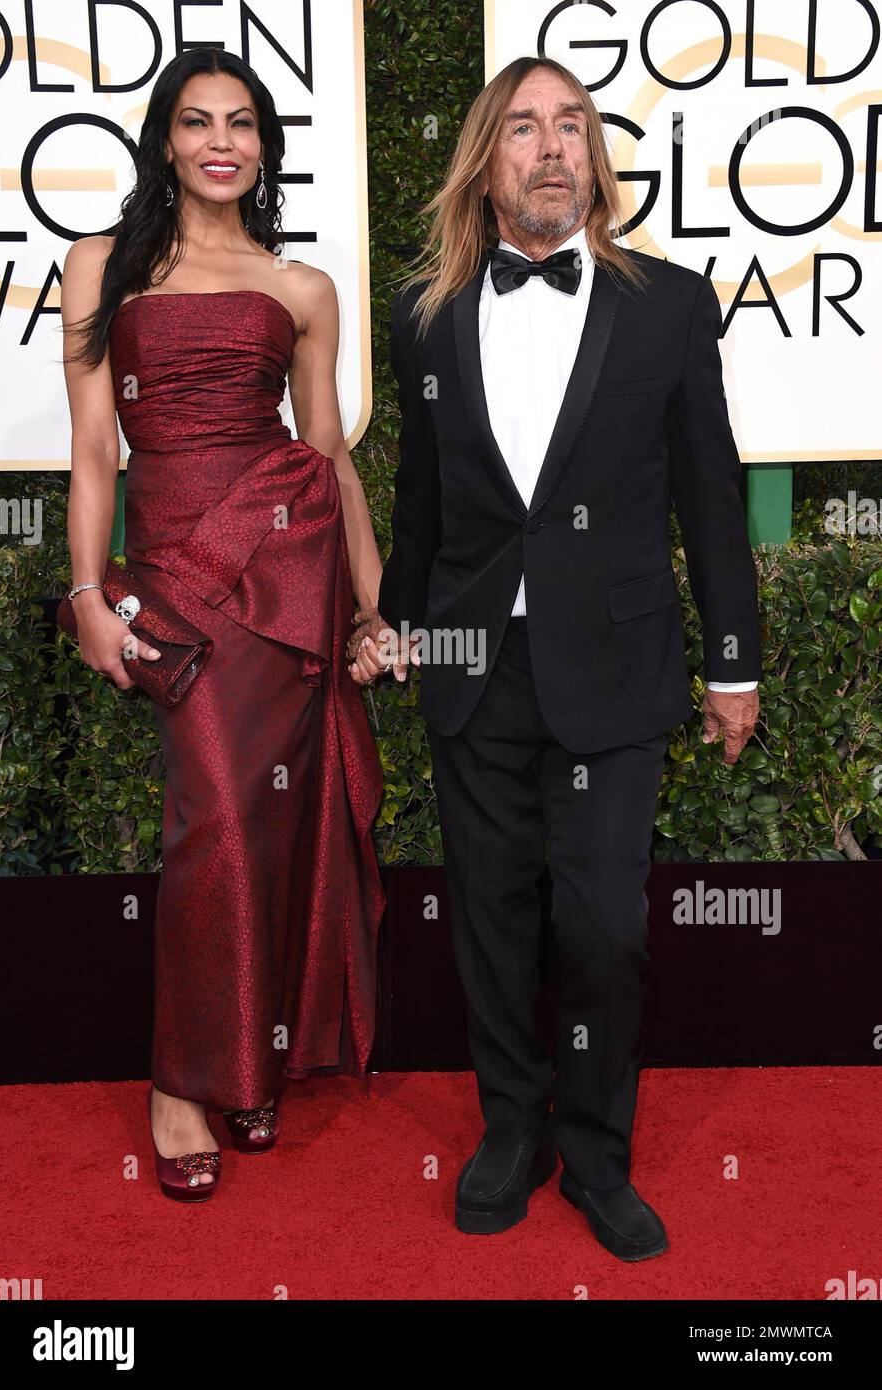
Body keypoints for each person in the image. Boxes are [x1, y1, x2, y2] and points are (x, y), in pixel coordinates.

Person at [352, 57, 761, 1260]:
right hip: (470, 661)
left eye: (569, 126)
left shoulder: (670, 303)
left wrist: (732, 662)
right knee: (488, 914)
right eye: (522, 129)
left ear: (594, 155)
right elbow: (422, 507)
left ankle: (595, 1153)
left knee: (601, 926)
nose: (548, 149)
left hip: (616, 664)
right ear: (485, 161)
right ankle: (508, 1132)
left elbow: (711, 497)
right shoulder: (422, 311)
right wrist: (402, 625)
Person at [61, 47, 386, 1202]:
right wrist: (88, 592)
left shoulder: (299, 289)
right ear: (165, 138)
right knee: (213, 826)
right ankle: (179, 1078)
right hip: (174, 577)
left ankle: (248, 1058)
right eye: (196, 121)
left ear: (262, 144)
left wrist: (368, 608)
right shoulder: (98, 266)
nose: (219, 142)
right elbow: (96, 446)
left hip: (287, 571)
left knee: (276, 826)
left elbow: (330, 455)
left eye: (240, 123)